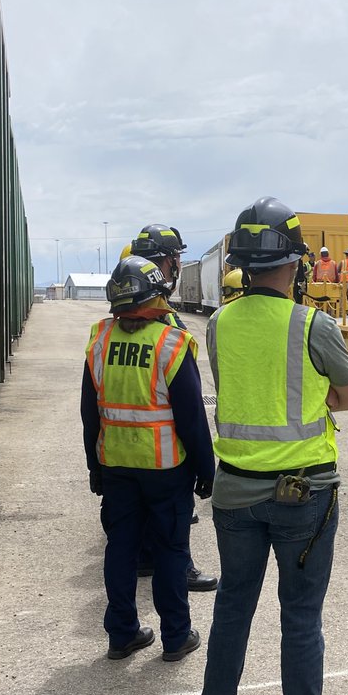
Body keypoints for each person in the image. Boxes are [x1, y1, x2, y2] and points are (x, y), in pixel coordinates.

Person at [197, 196, 348, 695]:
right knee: (300, 618)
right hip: (304, 494)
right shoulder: (312, 324)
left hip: (235, 493)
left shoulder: (218, 323)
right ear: (295, 262)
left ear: (242, 262)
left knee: (232, 610)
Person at [81, 256, 217, 662]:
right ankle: (176, 637)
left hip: (117, 465)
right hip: (165, 470)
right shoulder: (170, 343)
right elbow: (192, 416)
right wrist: (205, 469)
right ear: (158, 296)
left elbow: (90, 411)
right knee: (171, 552)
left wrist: (95, 465)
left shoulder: (100, 340)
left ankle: (122, 634)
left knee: (120, 548)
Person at [130, 223, 219, 592]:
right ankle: (180, 567)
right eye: (176, 259)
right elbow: (187, 402)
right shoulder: (163, 317)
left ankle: (148, 557)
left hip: (125, 442)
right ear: (167, 263)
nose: (178, 266)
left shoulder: (125, 311)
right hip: (164, 445)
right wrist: (203, 462)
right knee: (174, 515)